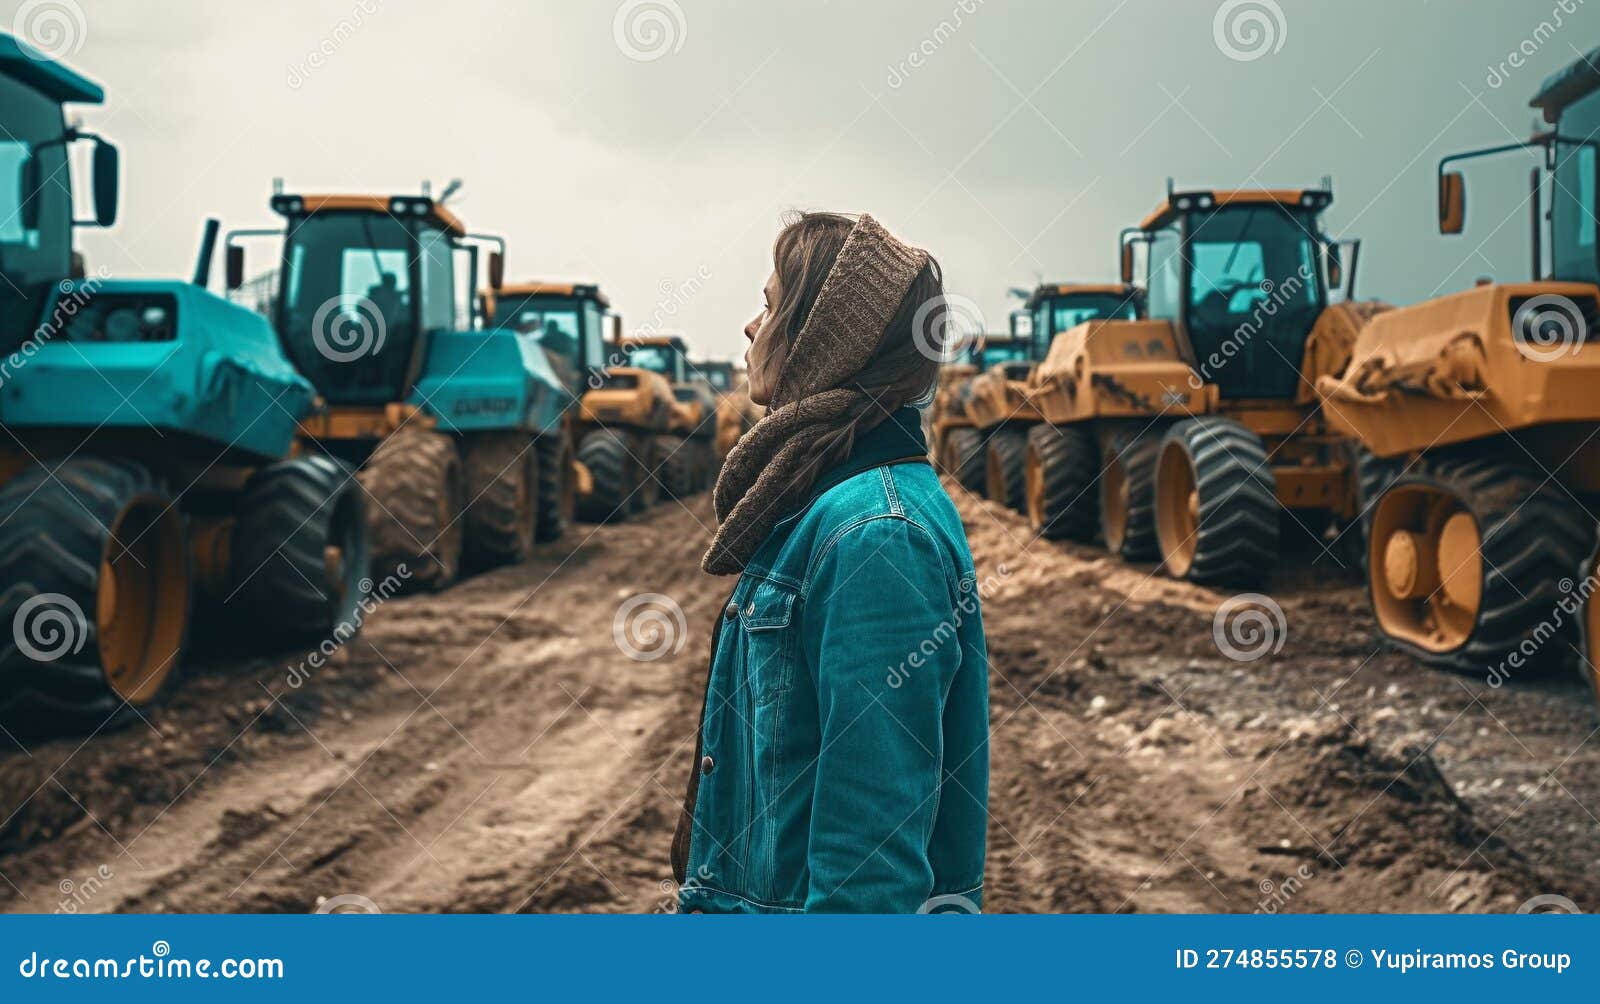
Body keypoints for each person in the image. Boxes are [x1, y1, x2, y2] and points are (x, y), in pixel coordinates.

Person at [671, 211, 989, 913]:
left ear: (824, 334)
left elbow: (869, 872)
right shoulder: (831, 502)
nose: (752, 329)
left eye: (769, 305)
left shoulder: (876, 537)